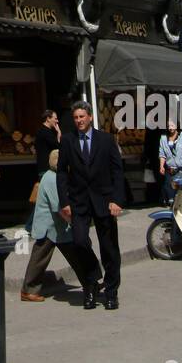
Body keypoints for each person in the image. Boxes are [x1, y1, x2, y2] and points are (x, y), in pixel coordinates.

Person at [56, 100, 125, 311]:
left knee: (109, 248)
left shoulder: (105, 140)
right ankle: (91, 283)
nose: (79, 121)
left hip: (104, 201)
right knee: (79, 242)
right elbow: (61, 172)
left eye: (82, 117)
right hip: (79, 202)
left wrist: (116, 200)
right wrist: (64, 202)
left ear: (90, 117)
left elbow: (117, 171)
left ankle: (111, 292)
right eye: (76, 118)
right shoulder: (67, 141)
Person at [21, 150, 90, 301]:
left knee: (74, 256)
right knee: (41, 258)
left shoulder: (53, 176)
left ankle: (90, 284)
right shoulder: (53, 179)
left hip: (57, 227)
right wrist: (75, 222)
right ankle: (29, 290)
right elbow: (60, 207)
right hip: (49, 227)